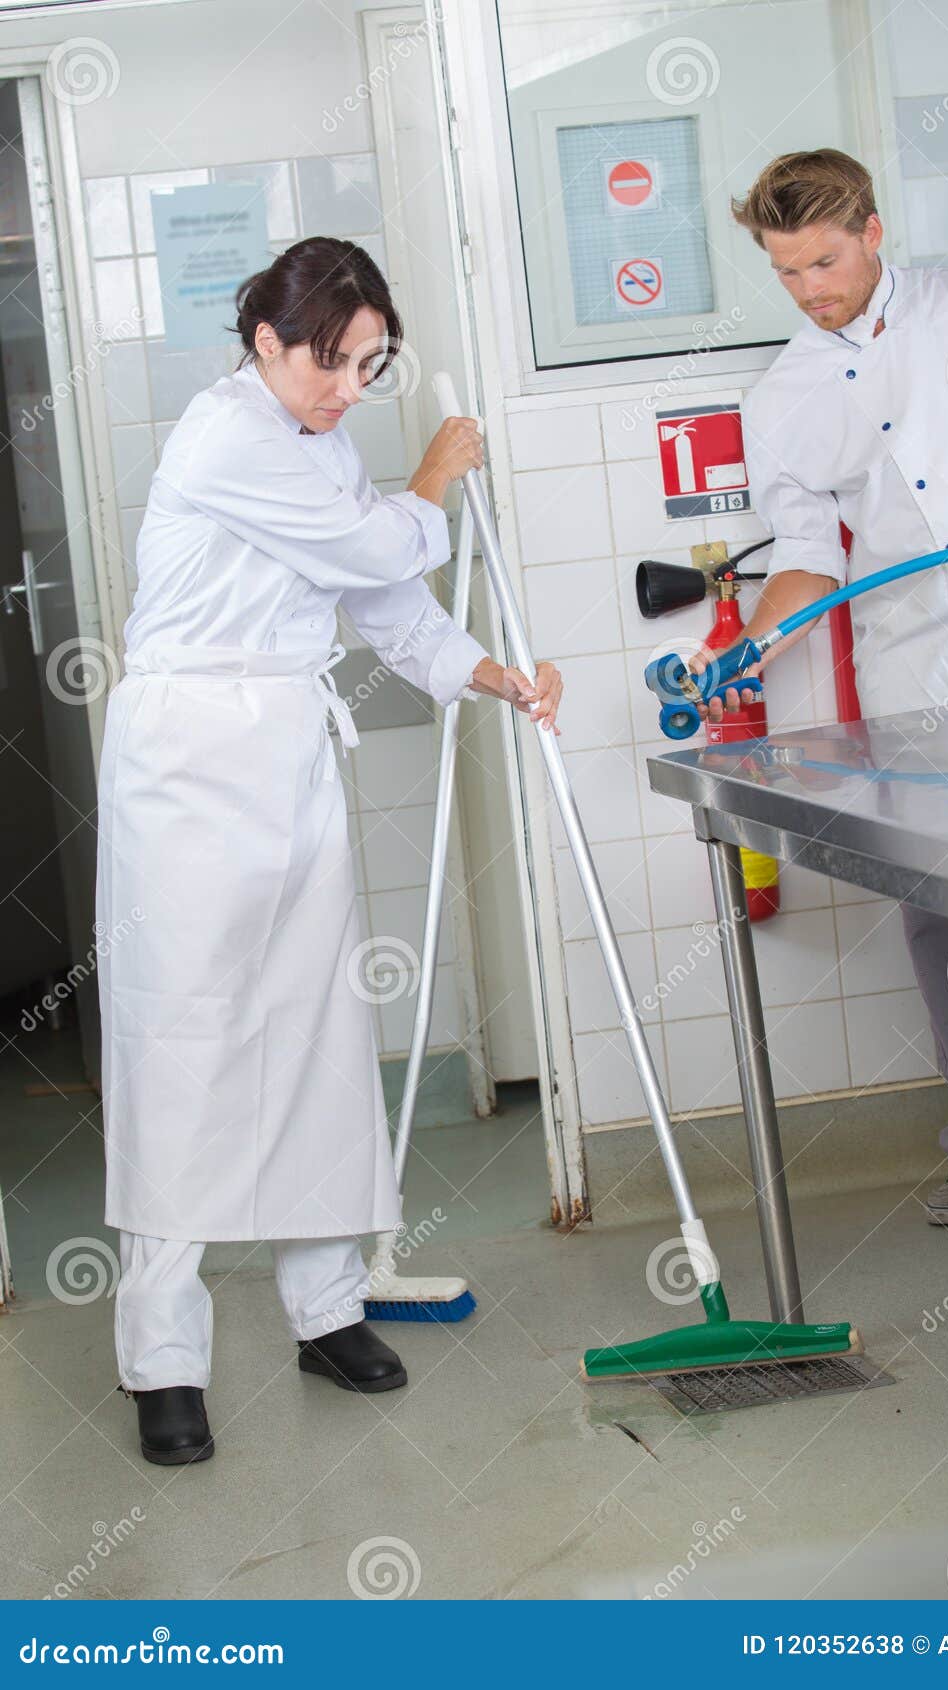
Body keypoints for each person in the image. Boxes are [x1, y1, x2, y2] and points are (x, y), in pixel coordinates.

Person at [96, 236, 563, 1465]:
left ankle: (325, 1308)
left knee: (312, 1028)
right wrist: (435, 477)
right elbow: (374, 546)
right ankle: (164, 1359)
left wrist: (483, 672)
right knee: (184, 1045)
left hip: (290, 748)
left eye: (368, 363)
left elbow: (381, 601)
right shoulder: (225, 435)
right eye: (330, 360)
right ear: (265, 343)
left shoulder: (322, 444)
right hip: (189, 757)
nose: (348, 385)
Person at [692, 149, 948, 1226]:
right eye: (786, 273)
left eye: (823, 259)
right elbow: (806, 557)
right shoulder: (784, 398)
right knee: (939, 907)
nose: (812, 290)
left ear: (870, 228)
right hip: (915, 669)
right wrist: (749, 649)